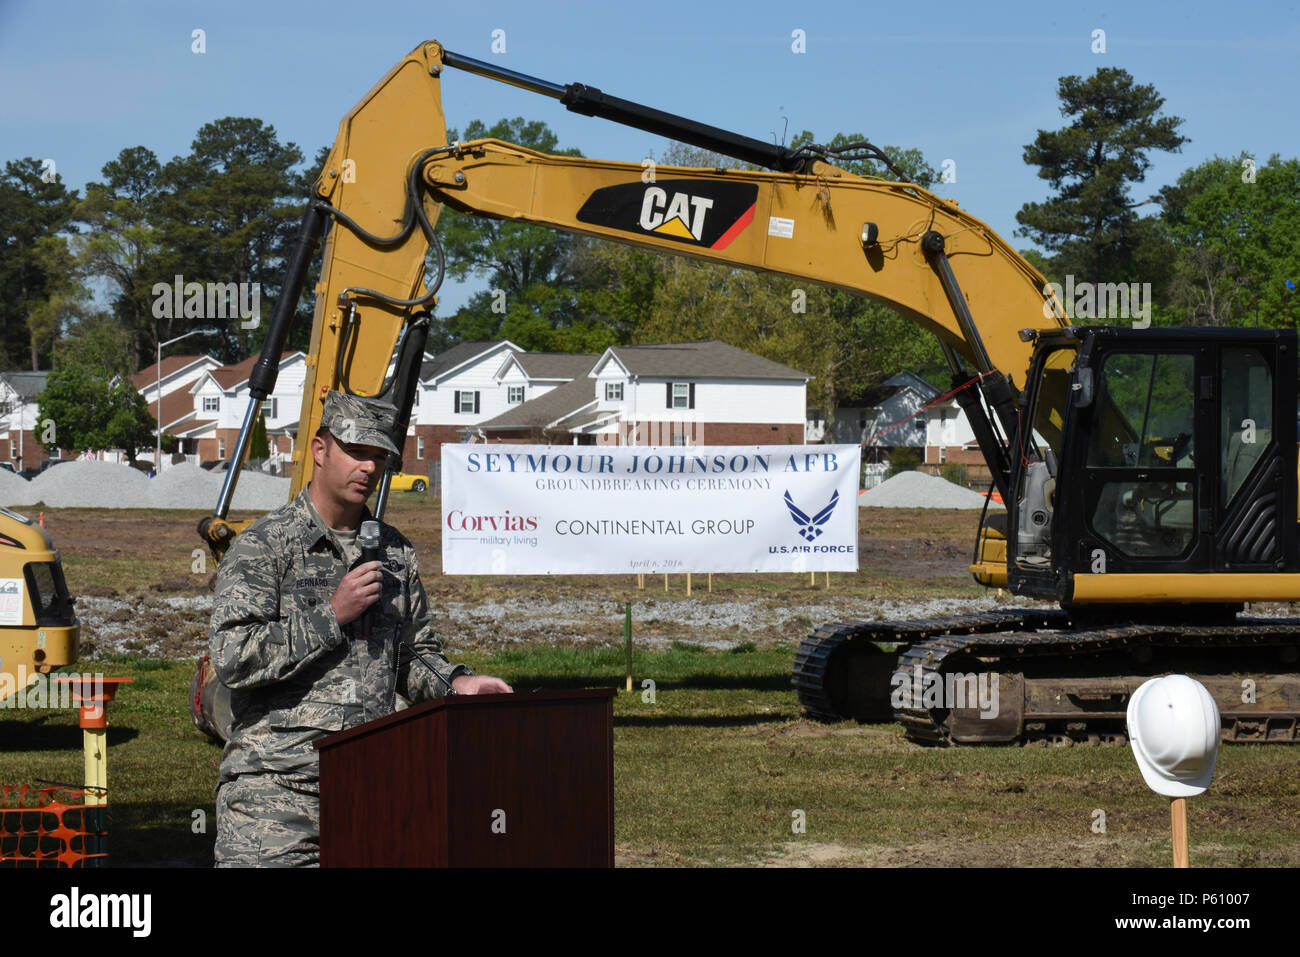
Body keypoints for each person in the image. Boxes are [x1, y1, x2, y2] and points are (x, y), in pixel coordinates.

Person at [209, 391, 511, 867]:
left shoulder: (394, 551)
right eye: (356, 451)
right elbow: (232, 658)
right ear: (320, 449)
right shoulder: (264, 547)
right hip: (276, 797)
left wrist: (456, 683)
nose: (368, 468)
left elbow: (411, 654)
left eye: (379, 457)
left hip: (371, 791)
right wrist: (332, 614)